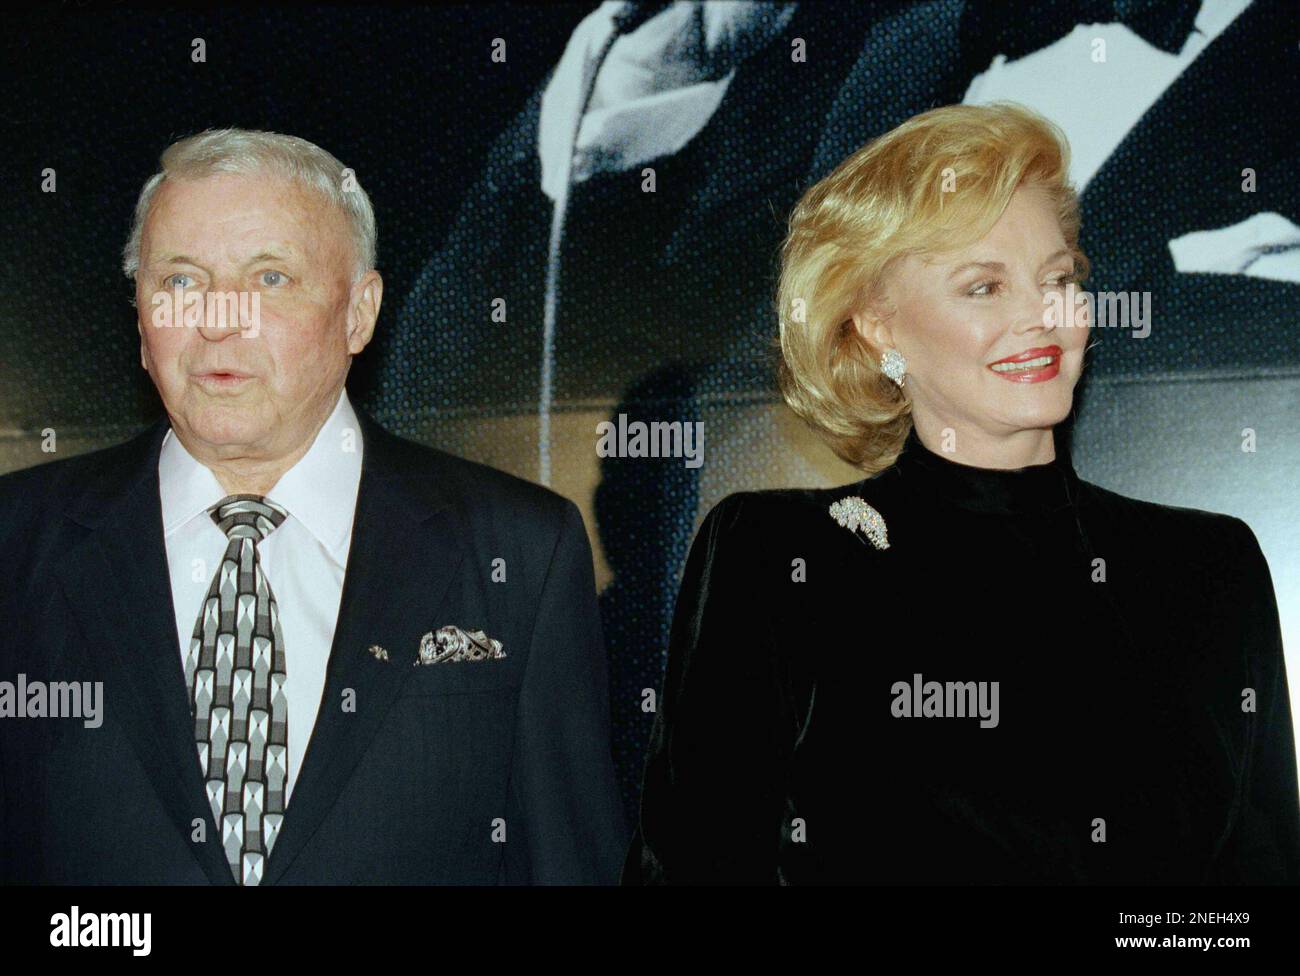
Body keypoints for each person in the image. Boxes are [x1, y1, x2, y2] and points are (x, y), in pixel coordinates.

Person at [622, 102, 1300, 884]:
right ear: (877, 325)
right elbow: (695, 869)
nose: (1039, 317)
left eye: (1058, 278)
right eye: (984, 287)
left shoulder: (1209, 565)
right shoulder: (781, 558)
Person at [0, 129, 626, 885]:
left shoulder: (520, 550)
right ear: (140, 319)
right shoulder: (18, 543)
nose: (220, 320)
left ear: (359, 313)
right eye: (181, 281)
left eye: (269, 279)